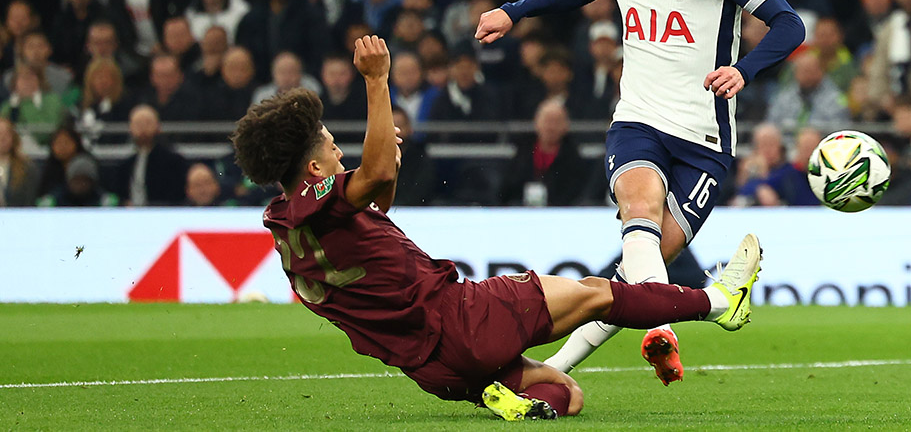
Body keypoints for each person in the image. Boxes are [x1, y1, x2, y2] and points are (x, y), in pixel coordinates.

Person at [229, 34, 762, 420]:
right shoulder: (321, 199)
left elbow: (376, 202)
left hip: (434, 369)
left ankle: (506, 399)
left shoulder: (285, 225)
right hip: (461, 317)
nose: (338, 151)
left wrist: (384, 166)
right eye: (329, 146)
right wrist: (376, 81)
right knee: (598, 293)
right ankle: (718, 302)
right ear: (314, 168)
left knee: (567, 395)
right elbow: (376, 175)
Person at [474, 0, 802, 384]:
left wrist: (743, 69)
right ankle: (660, 334)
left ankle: (555, 369)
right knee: (639, 208)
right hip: (638, 123)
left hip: (704, 140)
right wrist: (513, 11)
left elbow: (789, 24)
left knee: (636, 273)